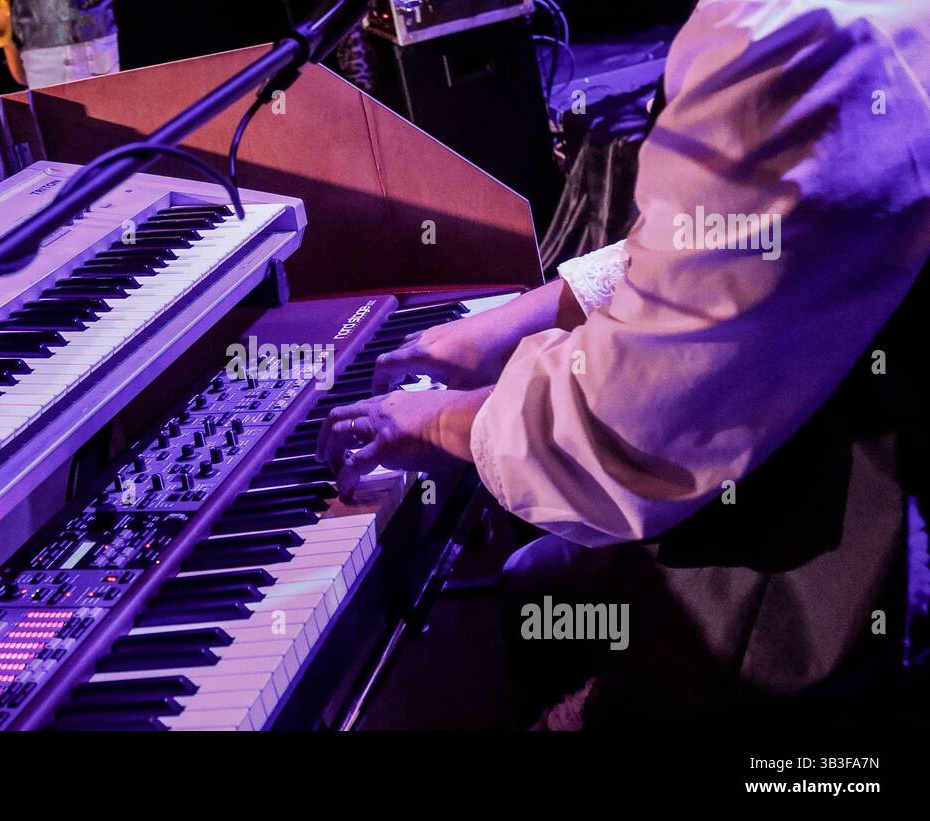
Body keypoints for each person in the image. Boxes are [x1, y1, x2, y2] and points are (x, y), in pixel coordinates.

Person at [319, 0, 930, 728]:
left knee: (533, 617)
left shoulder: (787, 44)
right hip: (835, 467)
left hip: (843, 577)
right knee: (528, 591)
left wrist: (440, 421)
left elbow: (621, 425)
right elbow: (737, 243)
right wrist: (517, 317)